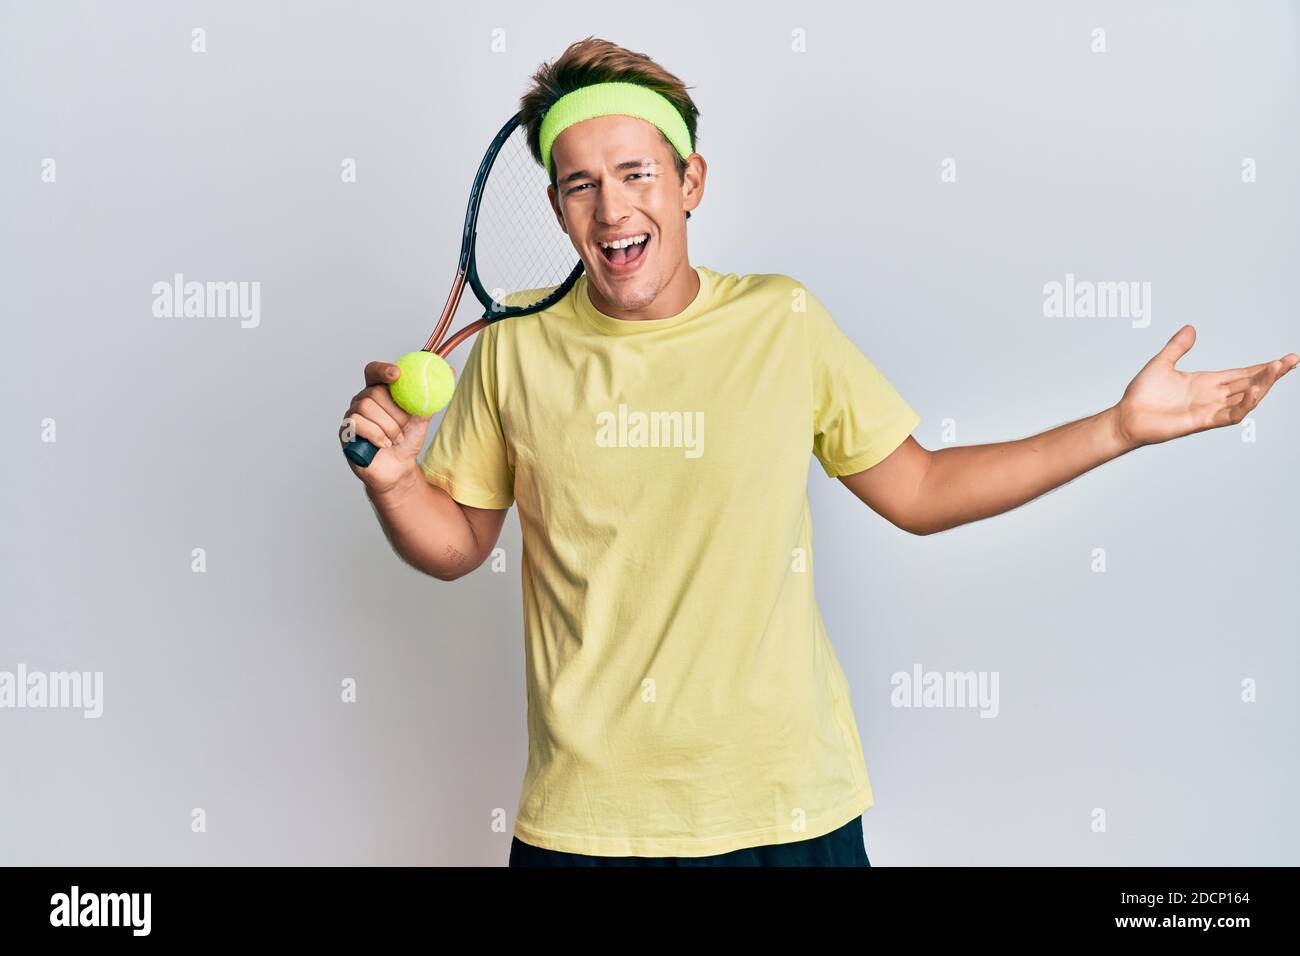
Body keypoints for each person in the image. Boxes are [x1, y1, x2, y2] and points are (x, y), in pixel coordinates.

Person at [340, 37, 1297, 867]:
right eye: (581, 183)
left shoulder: (781, 321)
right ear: (555, 209)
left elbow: (919, 488)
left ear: (690, 183)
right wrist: (392, 481)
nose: (612, 207)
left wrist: (1117, 428)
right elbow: (458, 542)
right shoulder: (513, 349)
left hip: (787, 812)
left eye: (637, 172)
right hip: (587, 828)